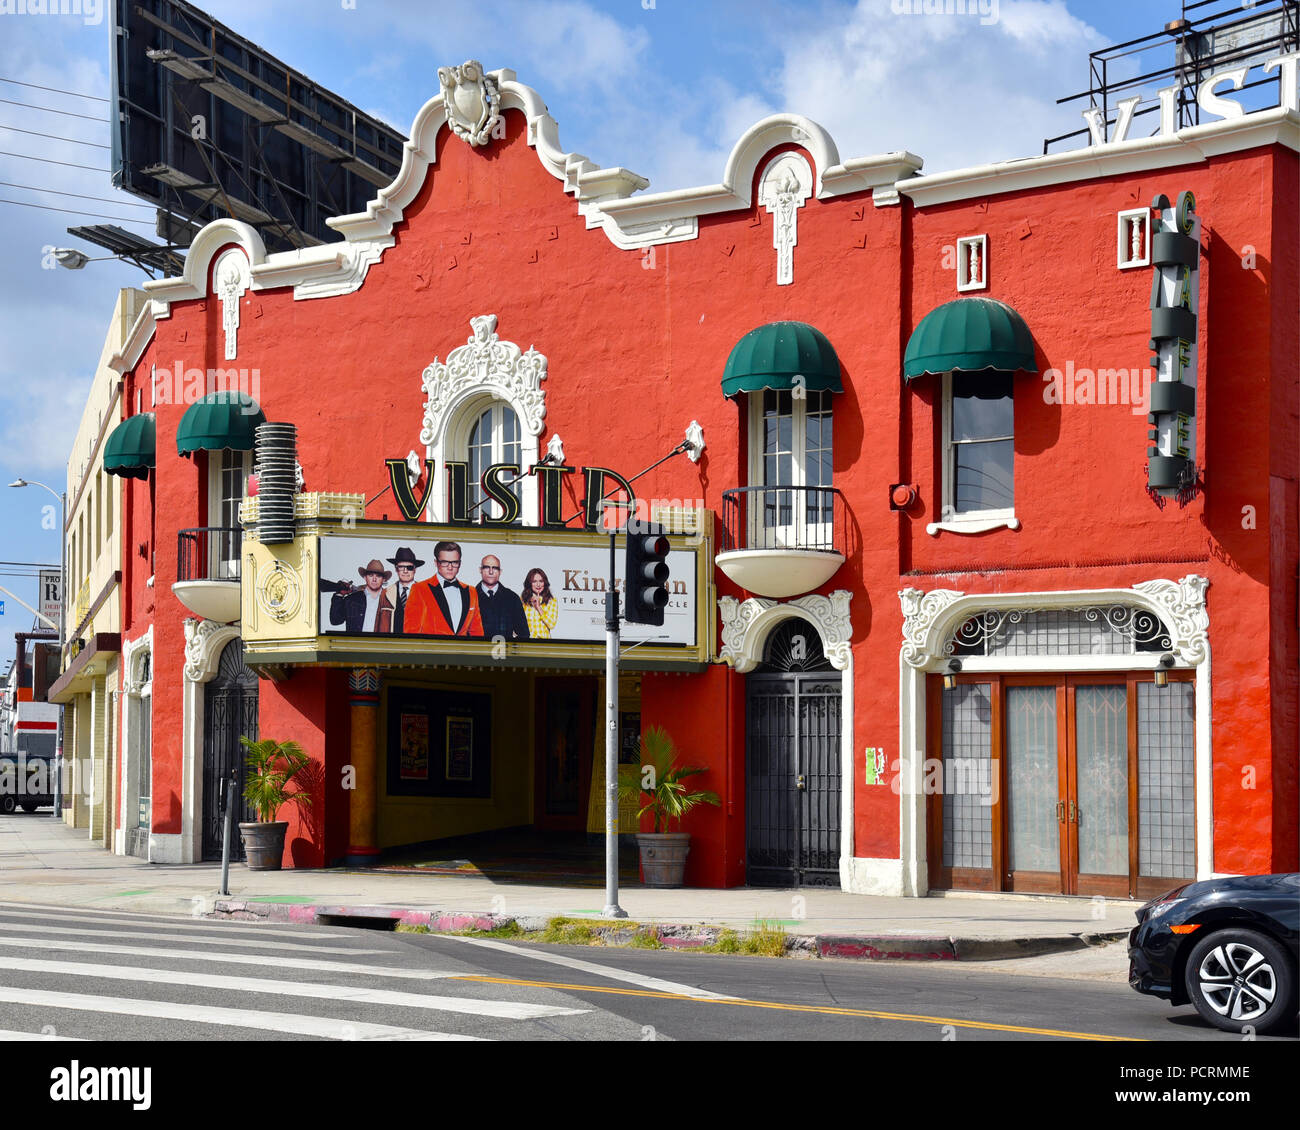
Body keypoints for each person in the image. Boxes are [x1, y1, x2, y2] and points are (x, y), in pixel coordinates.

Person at [404, 540, 483, 637]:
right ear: (436, 563)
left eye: (454, 562)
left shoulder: (471, 591)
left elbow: (477, 633)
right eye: (444, 562)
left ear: (460, 563)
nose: (450, 567)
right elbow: (411, 634)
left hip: (462, 651)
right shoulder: (419, 589)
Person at [329, 559, 394, 633]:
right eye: (371, 575)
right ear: (365, 577)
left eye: (378, 576)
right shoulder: (351, 600)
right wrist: (339, 595)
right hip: (356, 643)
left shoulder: (391, 600)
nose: (374, 579)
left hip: (382, 643)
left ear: (383, 580)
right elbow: (335, 621)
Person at [476, 554, 530, 641]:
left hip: (503, 653)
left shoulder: (512, 598)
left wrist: (510, 651)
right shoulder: (469, 597)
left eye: (495, 568)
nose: (491, 572)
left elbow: (524, 634)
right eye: (486, 567)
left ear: (500, 571)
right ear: (480, 570)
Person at [385, 546, 424, 633]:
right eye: (401, 567)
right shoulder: (386, 593)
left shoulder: (425, 593)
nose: (405, 571)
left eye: (409, 567)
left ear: (415, 569)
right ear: (396, 569)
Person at [521, 567, 558, 639]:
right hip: (526, 643)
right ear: (529, 583)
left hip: (543, 644)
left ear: (545, 582)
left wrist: (538, 607)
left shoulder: (552, 601)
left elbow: (552, 624)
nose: (538, 585)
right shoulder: (522, 600)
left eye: (541, 581)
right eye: (534, 581)